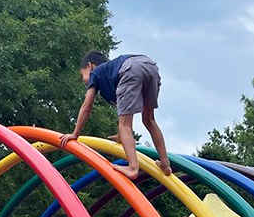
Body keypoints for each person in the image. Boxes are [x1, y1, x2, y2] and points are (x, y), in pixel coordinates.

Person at [60, 51, 172, 181]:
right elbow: (123, 111)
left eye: (82, 75)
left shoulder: (96, 73)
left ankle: (132, 168)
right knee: (149, 119)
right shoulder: (111, 74)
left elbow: (86, 106)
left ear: (90, 66)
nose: (84, 80)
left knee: (125, 125)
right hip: (150, 66)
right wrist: (120, 136)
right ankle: (165, 164)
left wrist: (75, 134)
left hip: (131, 68)